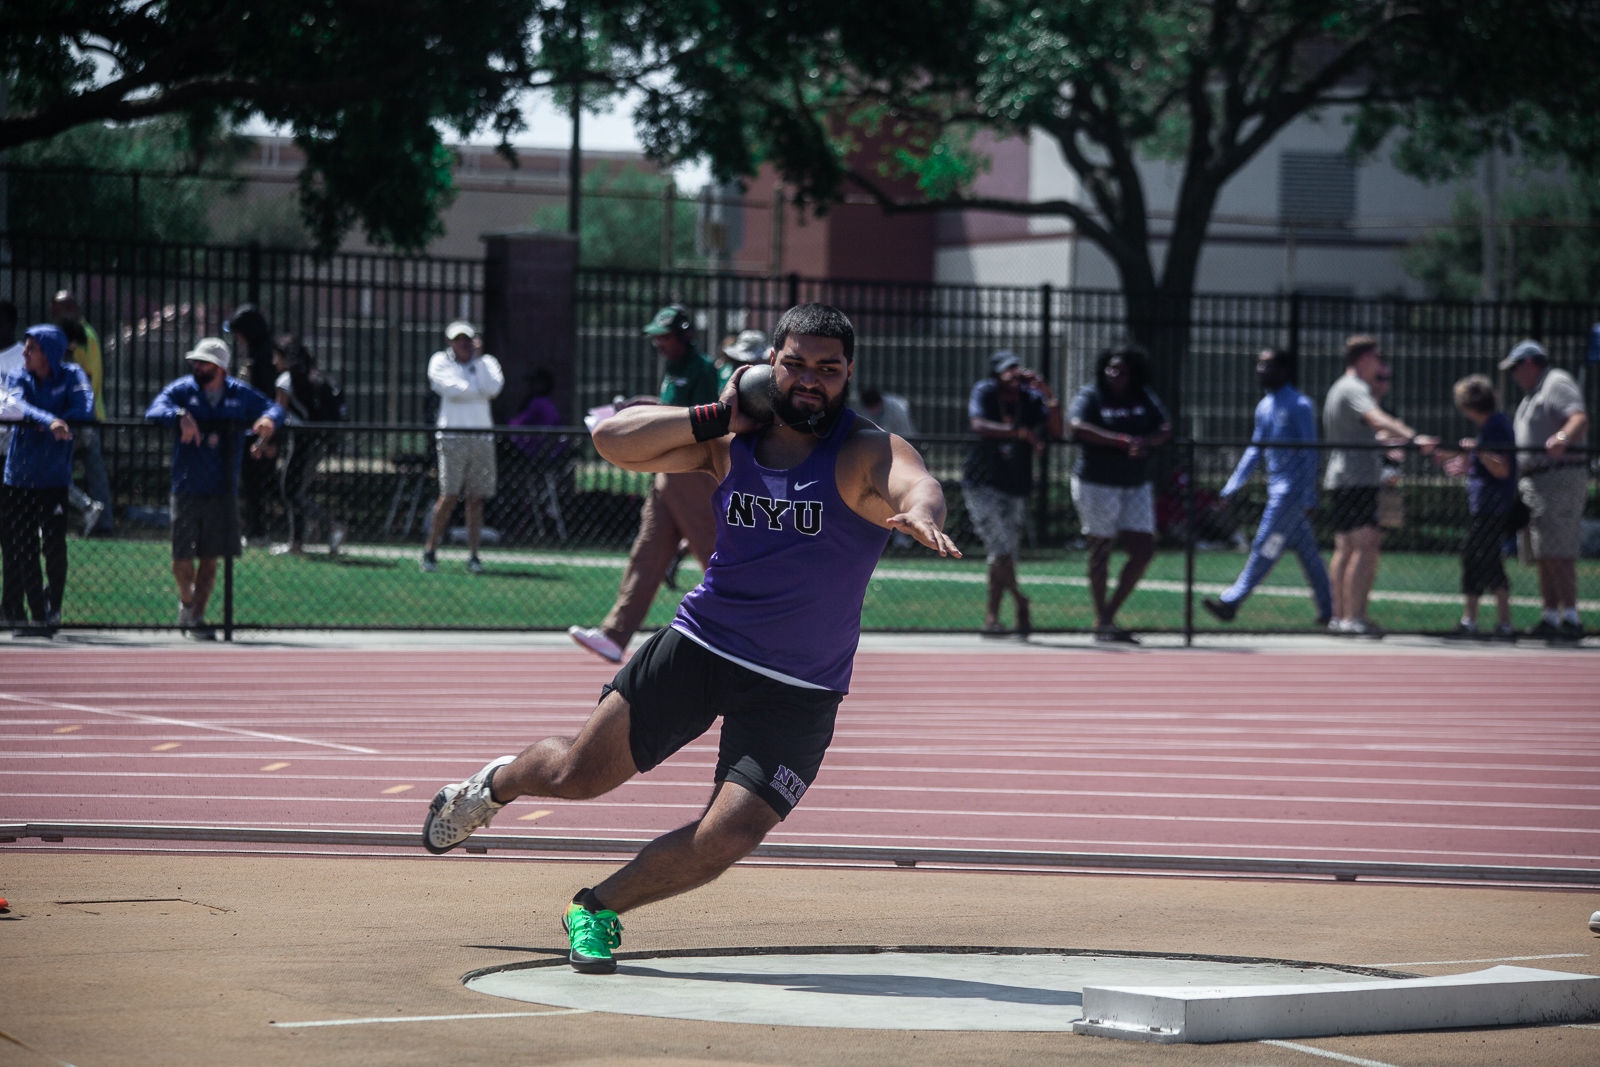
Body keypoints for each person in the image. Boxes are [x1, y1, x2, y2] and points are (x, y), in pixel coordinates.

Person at [421, 303, 960, 975]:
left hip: (800, 684)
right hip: (705, 644)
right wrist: (717, 414)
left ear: (848, 372)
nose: (810, 380)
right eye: (795, 364)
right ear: (771, 364)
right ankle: (493, 785)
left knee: (728, 833)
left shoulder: (864, 449)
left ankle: (595, 907)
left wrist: (920, 512)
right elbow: (613, 442)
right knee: (577, 774)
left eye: (828, 368)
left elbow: (917, 482)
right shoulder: (729, 439)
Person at [568, 305, 724, 663]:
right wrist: (644, 406)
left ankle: (750, 630)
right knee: (647, 552)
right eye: (656, 337)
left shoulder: (700, 369)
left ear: (685, 335)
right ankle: (614, 634)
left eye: (665, 336)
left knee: (714, 554)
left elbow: (700, 417)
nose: (658, 343)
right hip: (665, 472)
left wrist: (651, 414)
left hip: (690, 474)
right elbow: (673, 410)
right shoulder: (671, 369)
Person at [145, 338, 282, 640]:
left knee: (211, 557)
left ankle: (197, 619)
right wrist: (178, 417)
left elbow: (273, 407)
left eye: (203, 362)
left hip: (223, 488)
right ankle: (186, 601)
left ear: (220, 367)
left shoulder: (238, 393)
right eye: (195, 362)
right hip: (186, 485)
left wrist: (269, 419)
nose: (197, 367)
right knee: (181, 558)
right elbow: (154, 409)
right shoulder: (183, 389)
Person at [1202, 348, 1332, 625]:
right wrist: (1232, 486)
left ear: (1283, 370)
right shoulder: (1264, 406)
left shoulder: (1300, 404)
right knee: (1309, 555)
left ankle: (1231, 601)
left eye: (1267, 366)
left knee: (1264, 546)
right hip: (1279, 490)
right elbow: (1255, 449)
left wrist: (1309, 494)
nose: (1260, 371)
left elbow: (1311, 452)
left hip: (1290, 494)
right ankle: (1330, 610)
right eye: (1259, 366)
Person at [1321, 336, 1436, 637]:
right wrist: (1413, 437)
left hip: (1346, 476)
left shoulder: (1341, 387)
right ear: (1363, 358)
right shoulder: (1354, 387)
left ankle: (1342, 617)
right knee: (1363, 546)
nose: (1381, 363)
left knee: (1346, 547)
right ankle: (1351, 618)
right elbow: (1375, 418)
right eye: (1377, 357)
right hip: (1355, 478)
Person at [1067, 345, 1171, 643]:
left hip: (1135, 483)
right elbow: (1076, 426)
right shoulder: (1091, 395)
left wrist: (1146, 441)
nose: (1114, 375)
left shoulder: (1143, 396)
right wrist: (1120, 441)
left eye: (1122, 371)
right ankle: (1103, 619)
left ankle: (1108, 615)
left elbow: (1165, 427)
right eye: (1110, 369)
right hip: (1096, 482)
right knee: (1101, 550)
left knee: (1143, 551)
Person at [1, 325, 93, 638]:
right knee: (25, 547)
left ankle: (53, 606)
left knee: (54, 546)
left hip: (54, 478)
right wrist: (48, 420)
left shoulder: (72, 374)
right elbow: (15, 407)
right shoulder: (19, 375)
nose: (23, 354)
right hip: (20, 478)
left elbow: (85, 407)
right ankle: (36, 617)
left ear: (49, 353)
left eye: (31, 349)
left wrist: (60, 419)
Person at [962, 350, 1060, 636]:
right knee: (1000, 548)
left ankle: (992, 618)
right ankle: (1020, 600)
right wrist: (1020, 434)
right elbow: (978, 424)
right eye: (1007, 371)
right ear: (996, 375)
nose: (1014, 375)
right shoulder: (985, 392)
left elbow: (1057, 429)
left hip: (1014, 485)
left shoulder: (1030, 399)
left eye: (1017, 370)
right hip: (982, 484)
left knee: (1002, 555)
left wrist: (1048, 394)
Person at [1503, 339, 1589, 641]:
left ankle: (1571, 618)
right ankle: (1551, 616)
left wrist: (1563, 437)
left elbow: (1578, 416)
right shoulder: (1532, 394)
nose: (1513, 375)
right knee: (1543, 551)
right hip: (1536, 480)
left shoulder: (1556, 382)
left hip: (1558, 477)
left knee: (1558, 550)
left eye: (1515, 367)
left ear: (1530, 363)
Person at [1434, 374, 1517, 639]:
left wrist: (1478, 451)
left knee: (1480, 560)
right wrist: (1468, 462)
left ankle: (1490, 621)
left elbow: (1502, 467)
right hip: (1485, 505)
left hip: (1493, 507)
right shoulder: (1492, 425)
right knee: (1481, 560)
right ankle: (1483, 620)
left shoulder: (1497, 426)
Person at [420, 321, 504, 574]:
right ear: (450, 342)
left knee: (475, 499)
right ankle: (430, 550)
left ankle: (474, 555)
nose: (463, 344)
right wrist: (476, 389)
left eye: (467, 339)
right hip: (452, 437)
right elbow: (451, 390)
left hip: (481, 438)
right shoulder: (440, 362)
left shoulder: (487, 363)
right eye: (458, 340)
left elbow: (493, 388)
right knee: (449, 496)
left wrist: (476, 363)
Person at [271, 336, 347, 555]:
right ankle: (296, 543)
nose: (273, 360)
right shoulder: (312, 376)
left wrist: (264, 442)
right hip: (316, 440)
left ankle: (331, 524)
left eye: (276, 355)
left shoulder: (286, 380)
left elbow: (278, 414)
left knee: (290, 491)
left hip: (301, 439)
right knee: (297, 491)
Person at [50, 291, 113, 536]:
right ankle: (99, 519)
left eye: (57, 308)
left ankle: (96, 518)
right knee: (91, 473)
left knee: (59, 471)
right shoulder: (84, 332)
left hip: (81, 418)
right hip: (86, 416)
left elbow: (84, 379)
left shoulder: (78, 336)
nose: (52, 313)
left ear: (71, 309)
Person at [224, 305, 280, 544]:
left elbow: (269, 400)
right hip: (253, 428)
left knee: (260, 482)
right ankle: (256, 528)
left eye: (239, 332)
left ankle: (258, 530)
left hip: (261, 430)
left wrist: (268, 439)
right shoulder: (257, 353)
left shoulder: (264, 356)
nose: (237, 338)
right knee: (261, 482)